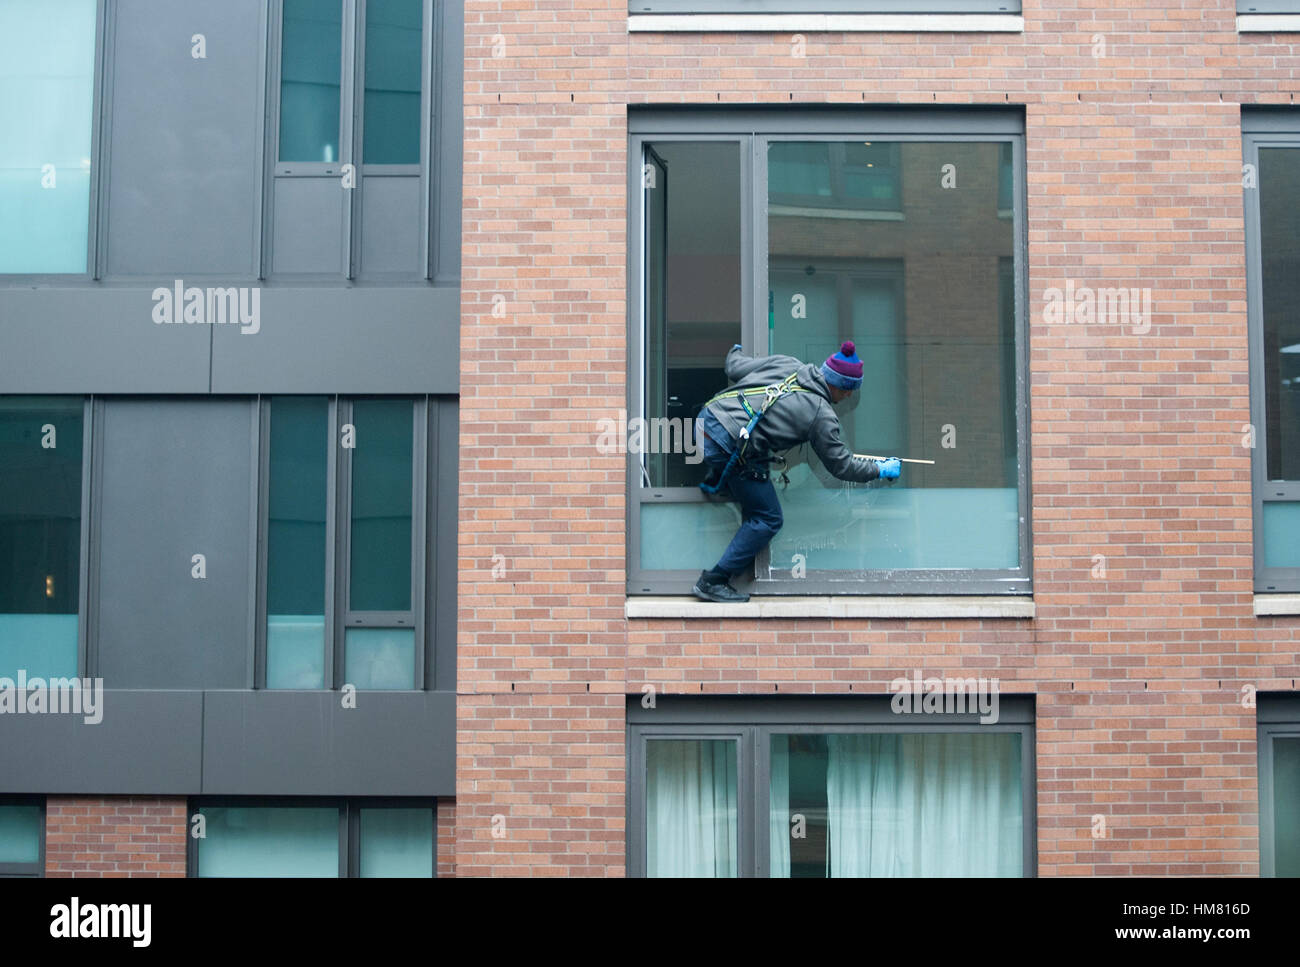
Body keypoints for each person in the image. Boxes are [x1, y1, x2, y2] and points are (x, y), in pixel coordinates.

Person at [692, 340, 901, 603]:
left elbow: (734, 367)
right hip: (726, 444)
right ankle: (714, 581)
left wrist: (735, 349)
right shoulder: (821, 415)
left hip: (705, 421)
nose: (848, 396)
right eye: (848, 390)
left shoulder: (788, 363)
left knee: (755, 471)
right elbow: (842, 466)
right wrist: (880, 470)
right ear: (837, 384)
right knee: (768, 518)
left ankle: (724, 485)